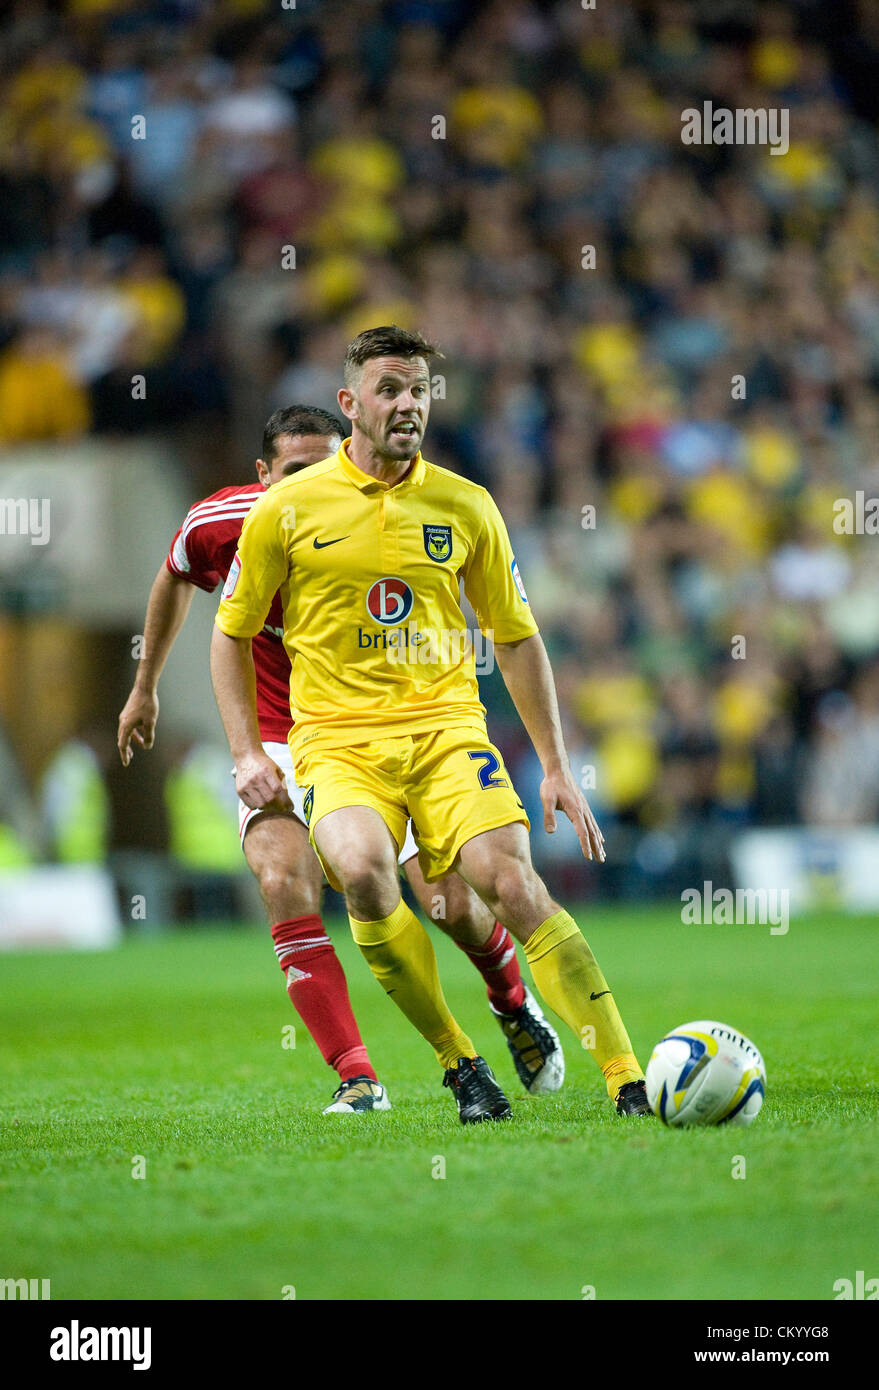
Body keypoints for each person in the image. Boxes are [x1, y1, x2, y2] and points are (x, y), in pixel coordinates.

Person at [211, 327, 650, 1123]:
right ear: (350, 405)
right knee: (366, 873)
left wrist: (554, 764)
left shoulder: (465, 504)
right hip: (337, 744)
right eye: (389, 388)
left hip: (448, 732)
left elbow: (514, 636)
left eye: (418, 390)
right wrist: (245, 750)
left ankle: (626, 1079)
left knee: (506, 882)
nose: (408, 404)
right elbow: (230, 631)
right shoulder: (286, 508)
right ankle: (461, 1065)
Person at [119, 402, 562, 1116]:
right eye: (296, 469)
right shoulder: (222, 523)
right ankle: (359, 1077)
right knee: (281, 878)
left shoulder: (377, 517)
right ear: (264, 474)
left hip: (375, 728)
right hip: (276, 733)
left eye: (327, 463)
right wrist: (145, 689)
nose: (315, 480)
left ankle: (511, 1000)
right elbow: (175, 575)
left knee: (446, 903)